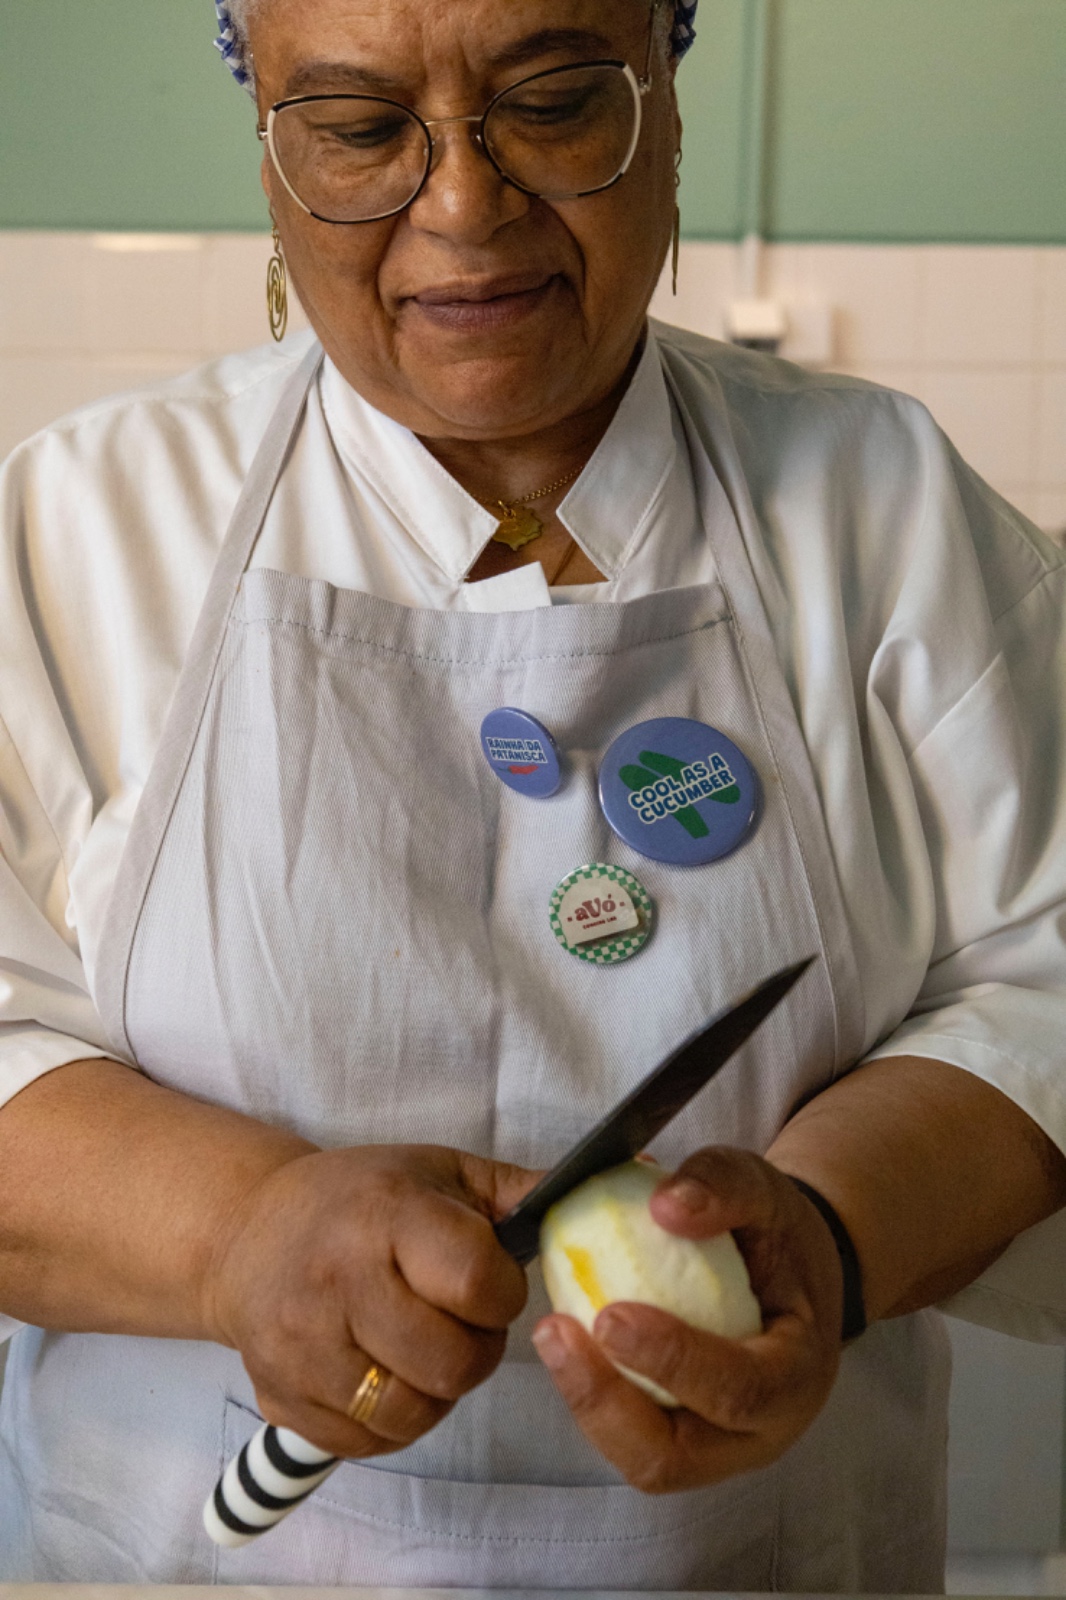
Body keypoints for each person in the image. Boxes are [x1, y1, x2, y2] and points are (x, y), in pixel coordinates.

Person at [0, 0, 1064, 1587]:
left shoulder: (883, 503)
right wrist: (236, 1241)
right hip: (194, 1554)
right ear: (271, 154)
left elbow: (1040, 974)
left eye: (555, 101)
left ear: (669, 103)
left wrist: (832, 1233)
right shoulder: (79, 527)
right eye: (360, 130)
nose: (461, 204)